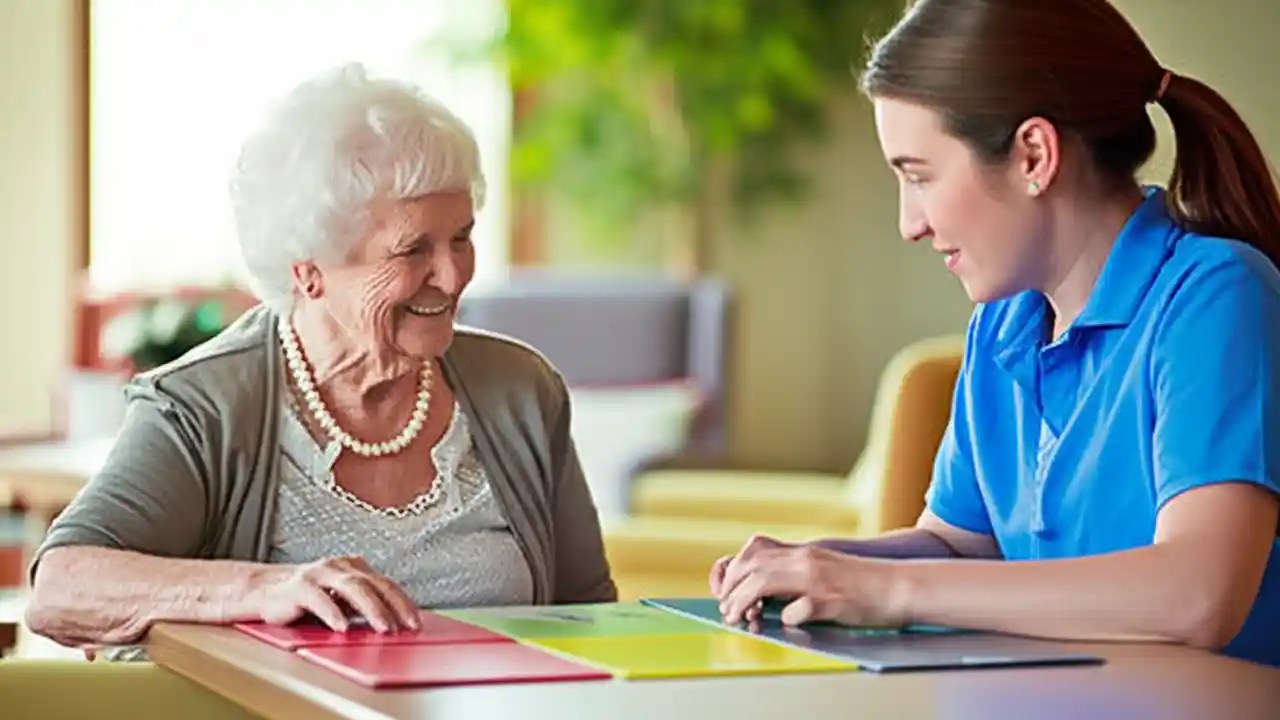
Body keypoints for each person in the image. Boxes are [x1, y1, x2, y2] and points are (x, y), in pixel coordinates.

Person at [711, 0, 1280, 667]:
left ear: (1034, 155)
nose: (910, 223)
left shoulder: (1216, 295)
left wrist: (887, 586)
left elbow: (1199, 596)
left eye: (918, 176)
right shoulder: (1004, 325)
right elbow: (958, 544)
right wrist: (817, 565)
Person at [26, 63, 616, 654]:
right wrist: (259, 588)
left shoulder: (520, 388)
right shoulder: (201, 405)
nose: (453, 273)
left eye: (461, 236)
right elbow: (60, 586)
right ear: (308, 272)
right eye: (413, 250)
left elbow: (591, 618)